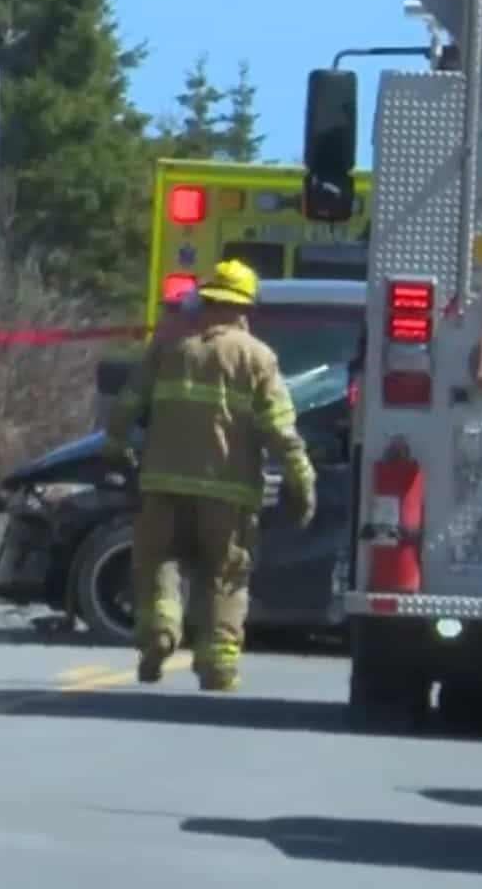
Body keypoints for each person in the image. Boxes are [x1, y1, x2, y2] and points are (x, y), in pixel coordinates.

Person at [102, 258, 317, 691]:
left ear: (207, 300)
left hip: (161, 482)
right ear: (244, 308)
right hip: (228, 491)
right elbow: (279, 428)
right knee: (224, 575)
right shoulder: (257, 357)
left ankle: (159, 633)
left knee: (157, 562)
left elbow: (127, 404)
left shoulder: (169, 348)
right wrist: (302, 479)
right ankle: (217, 666)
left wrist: (114, 447)